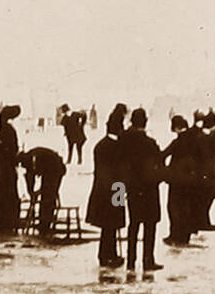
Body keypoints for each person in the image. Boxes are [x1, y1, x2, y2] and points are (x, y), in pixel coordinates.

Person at [120, 108, 164, 272]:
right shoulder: (149, 143)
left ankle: (130, 260)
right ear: (145, 122)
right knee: (150, 225)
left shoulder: (123, 141)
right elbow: (159, 165)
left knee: (133, 224)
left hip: (131, 188)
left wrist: (118, 195)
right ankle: (148, 260)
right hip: (149, 189)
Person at [86, 106, 128, 267]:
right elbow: (121, 171)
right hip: (116, 189)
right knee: (113, 223)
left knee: (107, 226)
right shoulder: (118, 147)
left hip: (101, 190)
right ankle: (110, 255)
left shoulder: (100, 145)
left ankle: (106, 254)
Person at [163, 115, 202, 245]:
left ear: (177, 127)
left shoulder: (178, 142)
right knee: (187, 207)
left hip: (177, 181)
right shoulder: (195, 139)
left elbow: (163, 154)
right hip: (192, 180)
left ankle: (175, 235)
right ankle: (185, 235)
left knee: (174, 208)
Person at [0, 105, 22, 233]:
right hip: (6, 168)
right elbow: (12, 149)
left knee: (1, 194)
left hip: (0, 168)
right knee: (8, 193)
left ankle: (1, 220)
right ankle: (8, 220)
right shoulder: (8, 131)